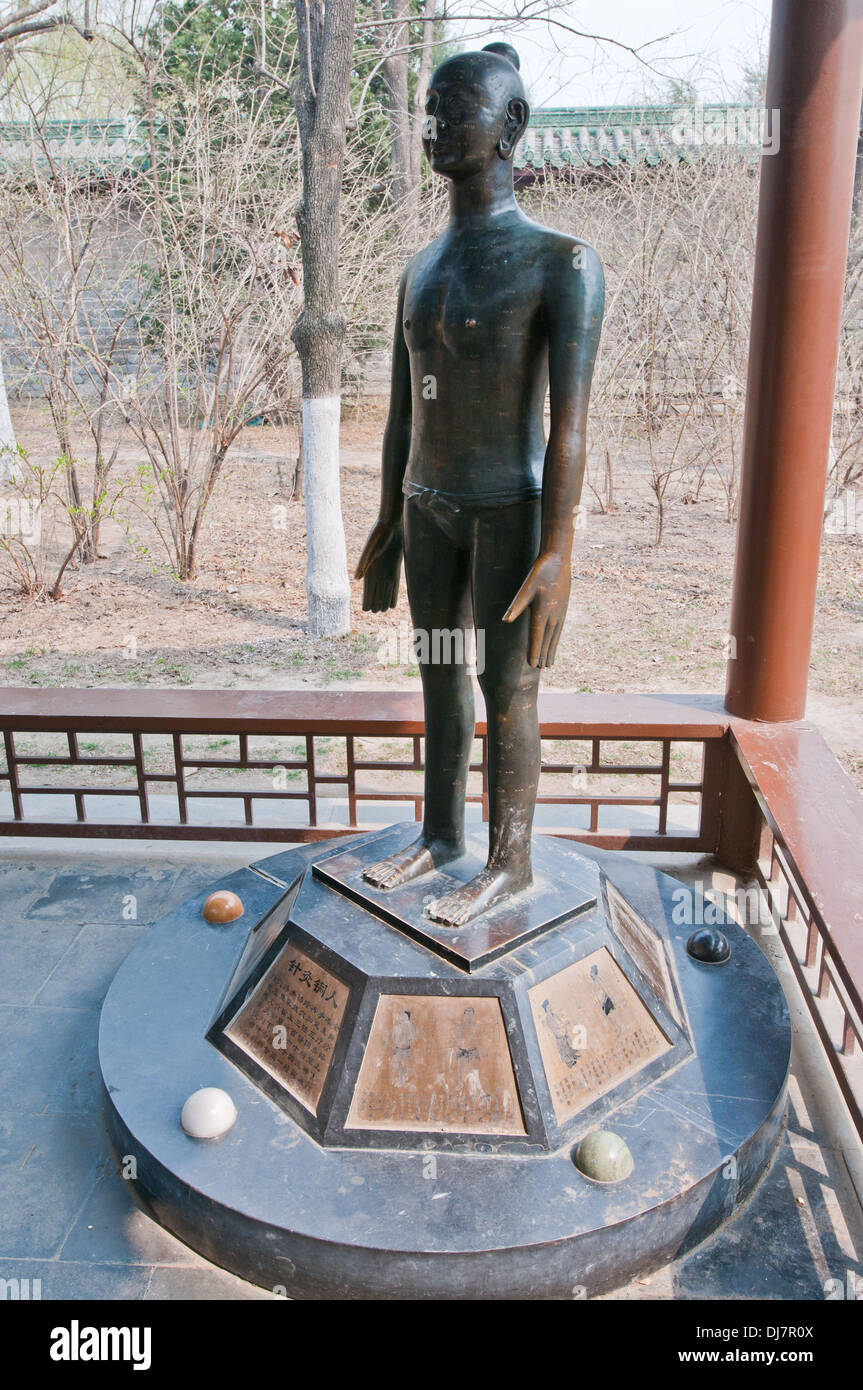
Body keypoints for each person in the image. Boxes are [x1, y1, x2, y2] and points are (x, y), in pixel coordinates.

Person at [355, 42, 604, 927]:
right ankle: (437, 833)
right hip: (429, 506)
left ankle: (509, 860)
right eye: (430, 107)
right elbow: (398, 414)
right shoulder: (418, 268)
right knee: (436, 675)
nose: (437, 124)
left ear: (510, 127)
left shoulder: (560, 262)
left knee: (510, 688)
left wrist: (558, 550)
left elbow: (570, 422)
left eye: (457, 107)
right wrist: (387, 519)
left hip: (510, 508)